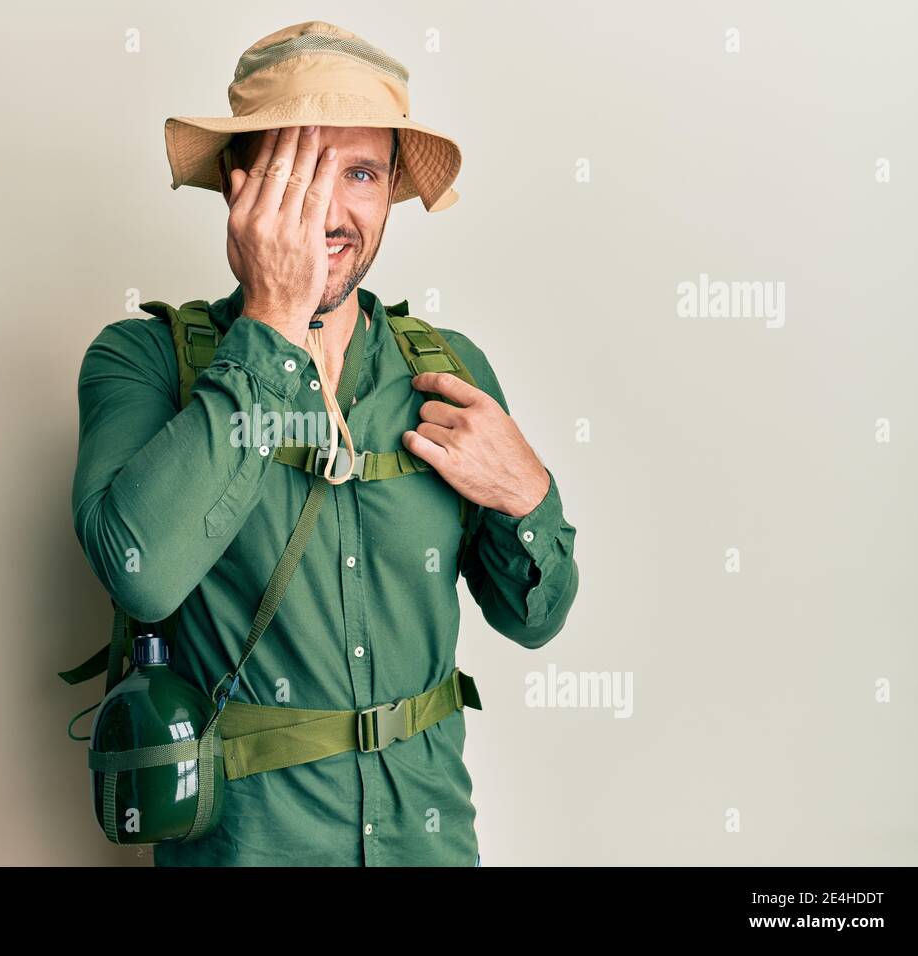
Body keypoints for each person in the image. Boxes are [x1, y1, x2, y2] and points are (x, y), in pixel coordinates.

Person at [72, 20, 579, 866]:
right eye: (299, 173)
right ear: (240, 188)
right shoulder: (143, 360)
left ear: (389, 194)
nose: (333, 212)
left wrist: (530, 495)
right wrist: (272, 319)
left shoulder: (450, 368)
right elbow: (141, 573)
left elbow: (536, 621)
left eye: (361, 174)